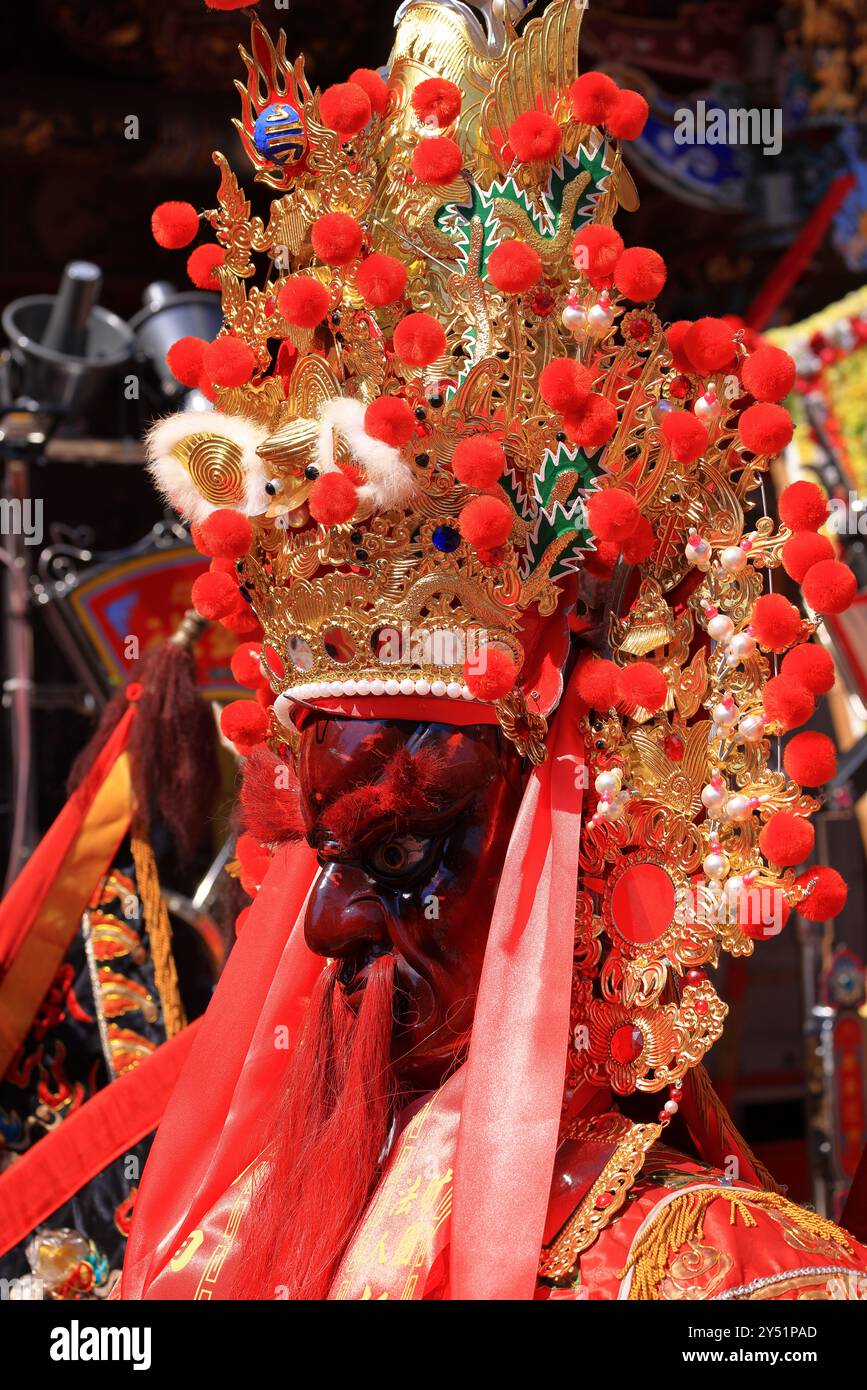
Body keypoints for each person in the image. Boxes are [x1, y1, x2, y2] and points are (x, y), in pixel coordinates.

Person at [120, 0, 867, 1300]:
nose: (335, 922)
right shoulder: (232, 1235)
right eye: (327, 851)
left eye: (404, 854)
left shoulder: (733, 1284)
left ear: (591, 841)